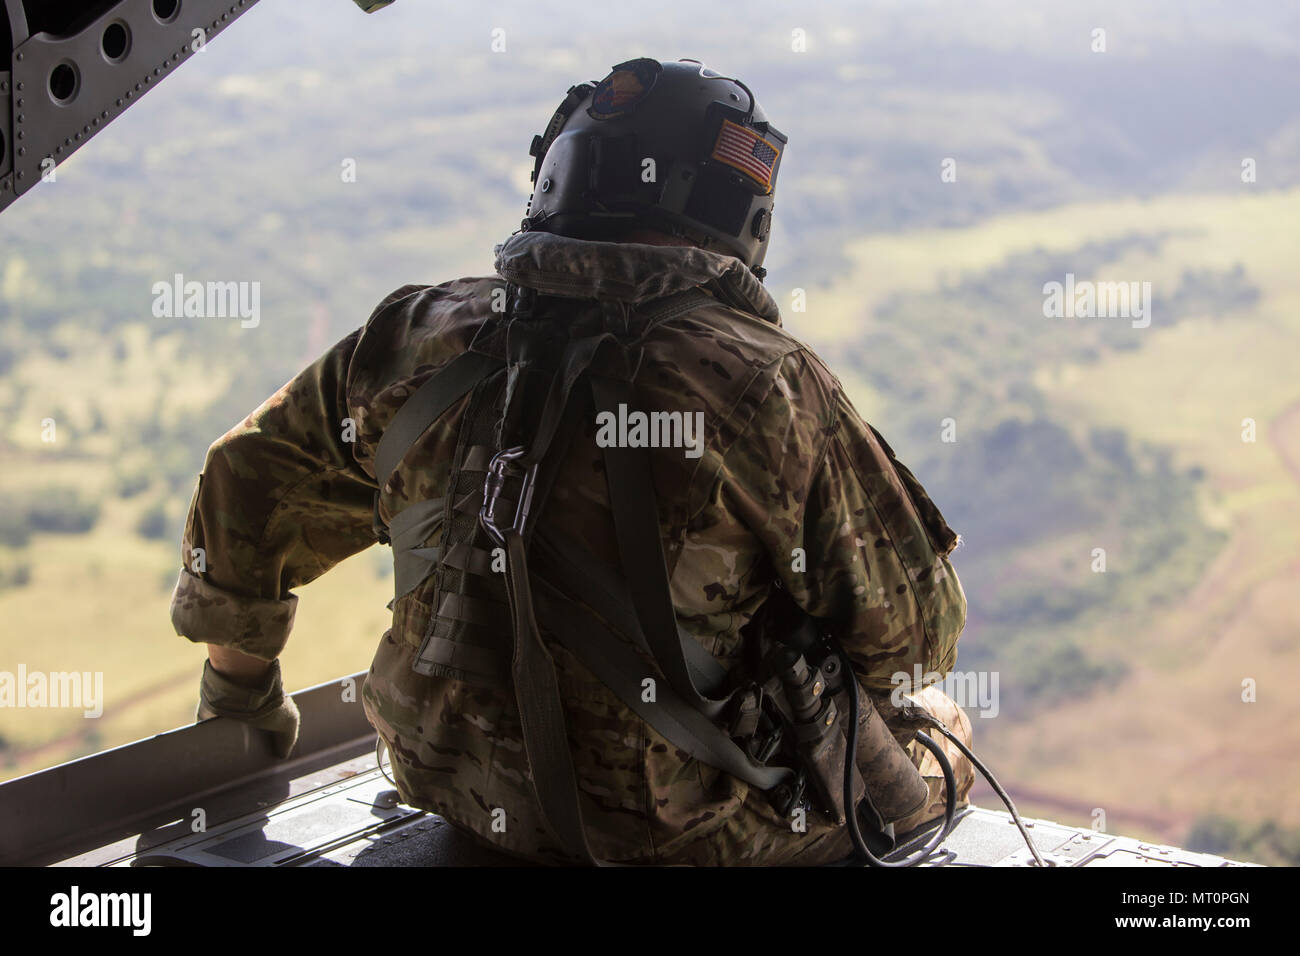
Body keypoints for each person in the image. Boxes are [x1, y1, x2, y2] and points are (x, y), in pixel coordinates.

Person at [172, 57, 973, 866]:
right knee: (941, 725)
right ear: (739, 213)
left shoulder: (419, 332)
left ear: (558, 177)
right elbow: (912, 642)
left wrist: (242, 704)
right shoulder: (768, 384)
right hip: (679, 838)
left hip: (449, 788)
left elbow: (246, 481)